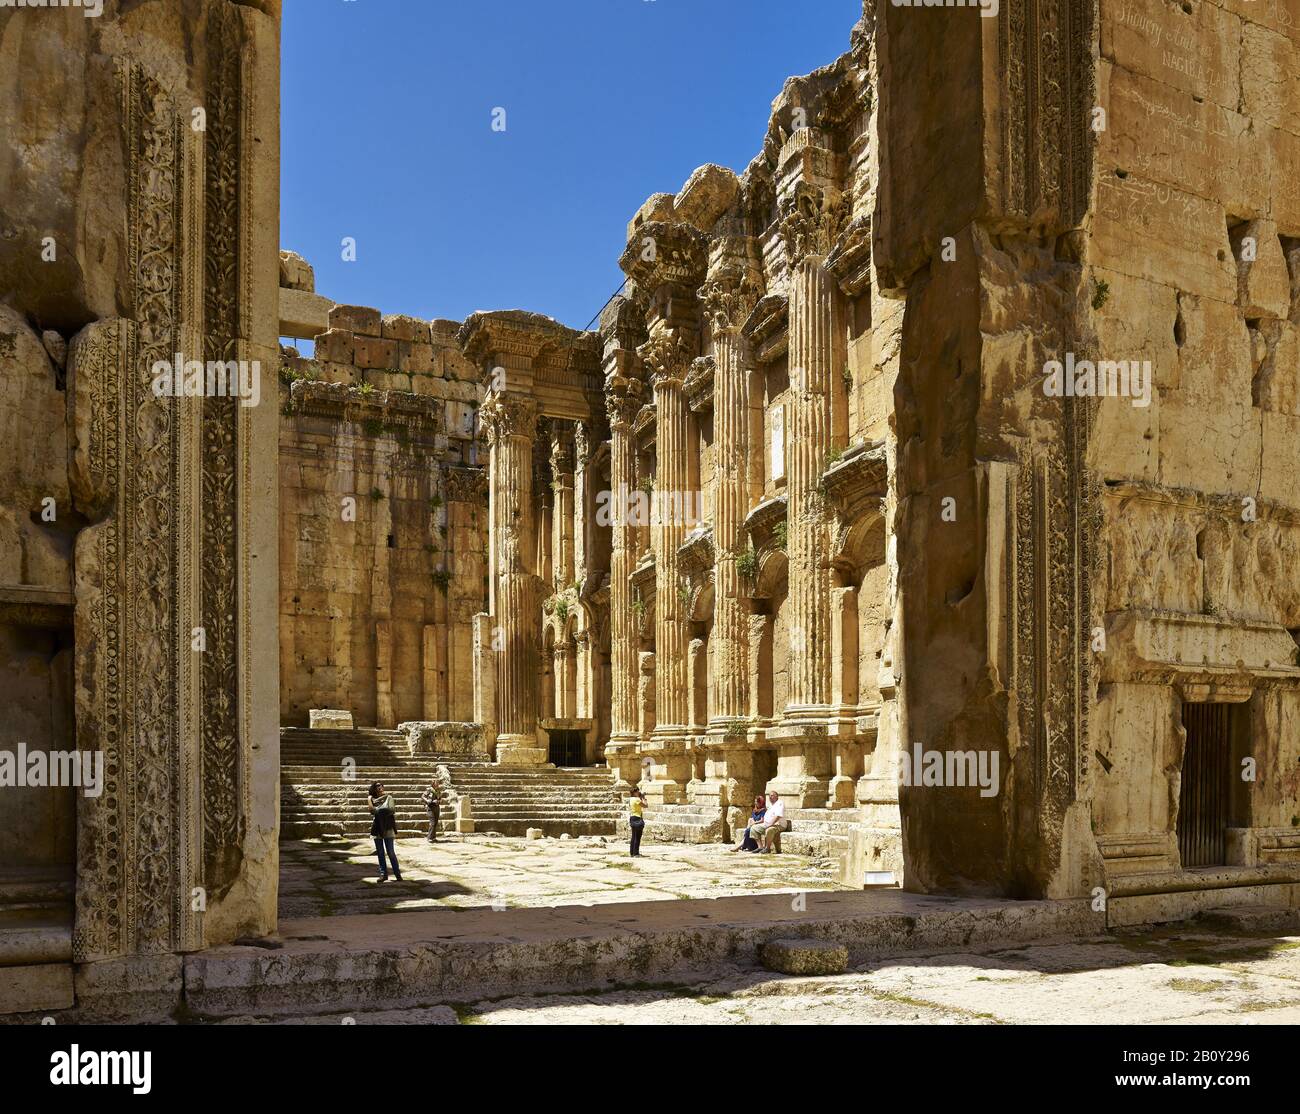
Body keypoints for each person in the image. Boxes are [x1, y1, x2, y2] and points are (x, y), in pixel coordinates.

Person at [368, 781, 402, 881]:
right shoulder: (372, 799)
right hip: (377, 827)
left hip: (387, 826)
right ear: (374, 789)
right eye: (377, 786)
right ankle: (383, 874)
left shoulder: (388, 797)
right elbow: (371, 811)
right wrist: (369, 799)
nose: (379, 787)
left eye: (381, 785)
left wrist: (377, 810)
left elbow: (391, 810)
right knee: (380, 852)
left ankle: (397, 874)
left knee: (390, 852)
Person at [420, 776, 441, 842]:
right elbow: (423, 796)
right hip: (430, 807)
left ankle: (433, 837)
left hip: (437, 807)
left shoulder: (438, 790)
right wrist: (428, 801)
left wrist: (440, 800)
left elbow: (439, 798)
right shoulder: (429, 789)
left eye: (438, 783)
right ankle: (429, 837)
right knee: (432, 823)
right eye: (436, 782)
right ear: (433, 783)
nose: (437, 784)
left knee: (435, 823)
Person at [627, 788, 646, 857]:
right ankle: (636, 853)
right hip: (637, 818)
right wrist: (644, 799)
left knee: (633, 836)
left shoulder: (630, 799)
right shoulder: (637, 799)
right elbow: (646, 805)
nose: (639, 792)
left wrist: (640, 797)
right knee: (637, 837)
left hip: (632, 817)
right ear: (635, 792)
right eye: (638, 791)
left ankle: (632, 852)